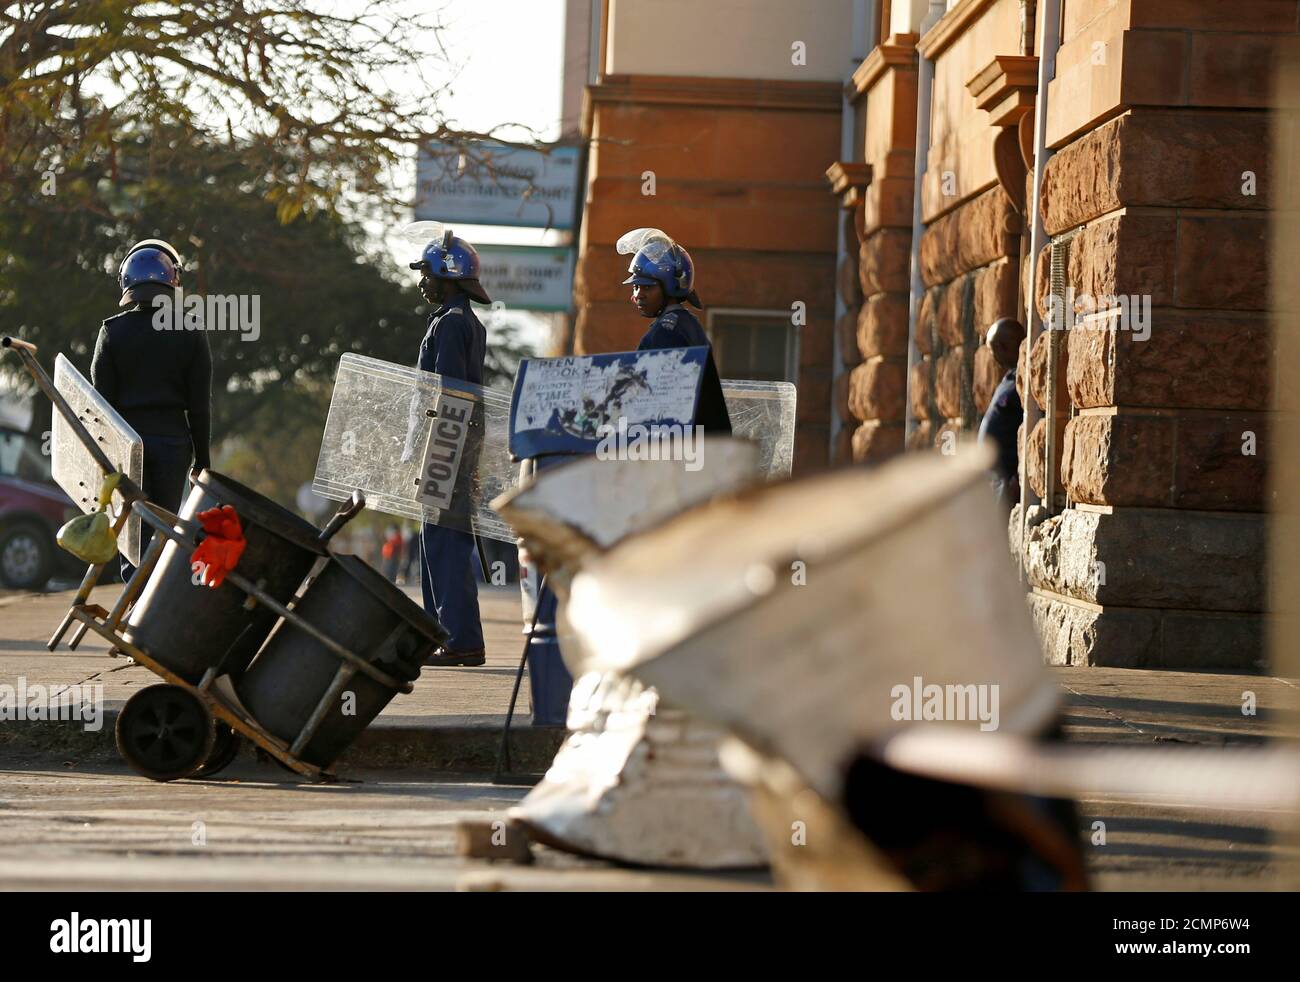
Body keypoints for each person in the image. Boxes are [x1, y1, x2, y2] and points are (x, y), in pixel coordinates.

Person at [91, 239, 211, 581]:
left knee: (134, 535)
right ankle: (153, 610)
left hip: (128, 449)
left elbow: (101, 406)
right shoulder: (191, 331)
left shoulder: (112, 332)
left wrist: (104, 462)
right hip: (174, 446)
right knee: (165, 531)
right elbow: (199, 408)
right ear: (173, 281)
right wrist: (203, 462)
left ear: (126, 283)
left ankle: (133, 604)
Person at [409, 229, 490, 667]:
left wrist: (435, 454)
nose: (422, 282)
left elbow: (448, 396)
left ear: (447, 274)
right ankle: (445, 633)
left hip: (447, 446)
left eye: (426, 273)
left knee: (445, 544)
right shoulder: (460, 321)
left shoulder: (453, 323)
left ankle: (459, 639)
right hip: (453, 448)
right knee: (439, 541)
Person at [620, 228, 731, 433]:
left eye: (647, 287)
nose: (638, 295)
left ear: (672, 286)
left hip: (679, 453)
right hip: (702, 450)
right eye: (636, 287)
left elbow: (655, 410)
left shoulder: (666, 334)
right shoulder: (686, 324)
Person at [976, 317, 1026, 510]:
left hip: (1008, 479)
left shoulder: (1025, 376)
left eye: (993, 350)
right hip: (995, 477)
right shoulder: (1011, 376)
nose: (993, 357)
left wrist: (1017, 474)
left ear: (1004, 347)